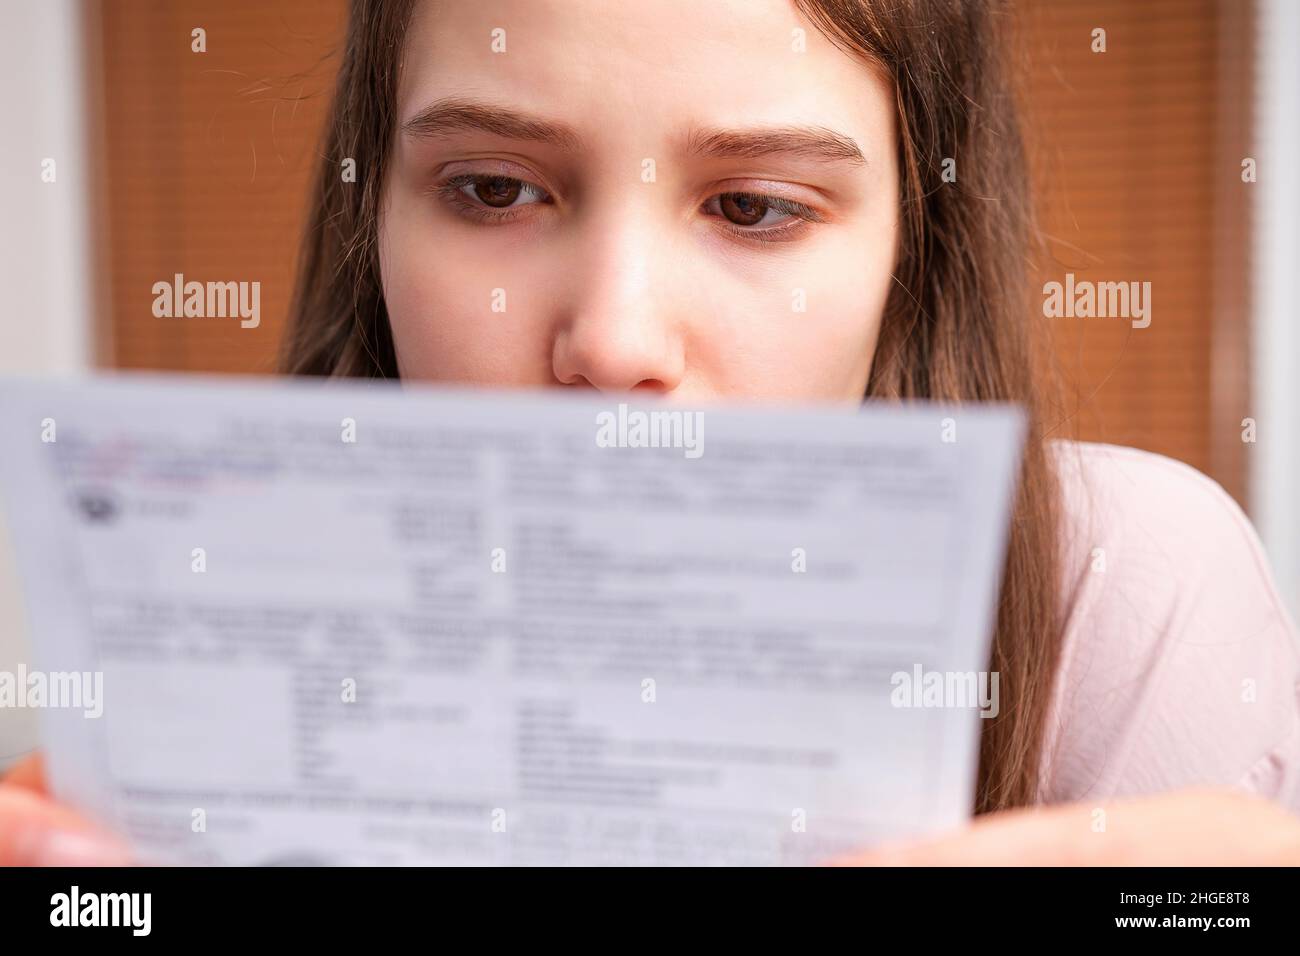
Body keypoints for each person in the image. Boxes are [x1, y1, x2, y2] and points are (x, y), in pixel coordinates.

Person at [3, 0, 1298, 866]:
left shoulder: (1124, 578)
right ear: (372, 226)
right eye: (495, 188)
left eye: (752, 208)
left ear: (917, 249)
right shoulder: (196, 675)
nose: (613, 341)